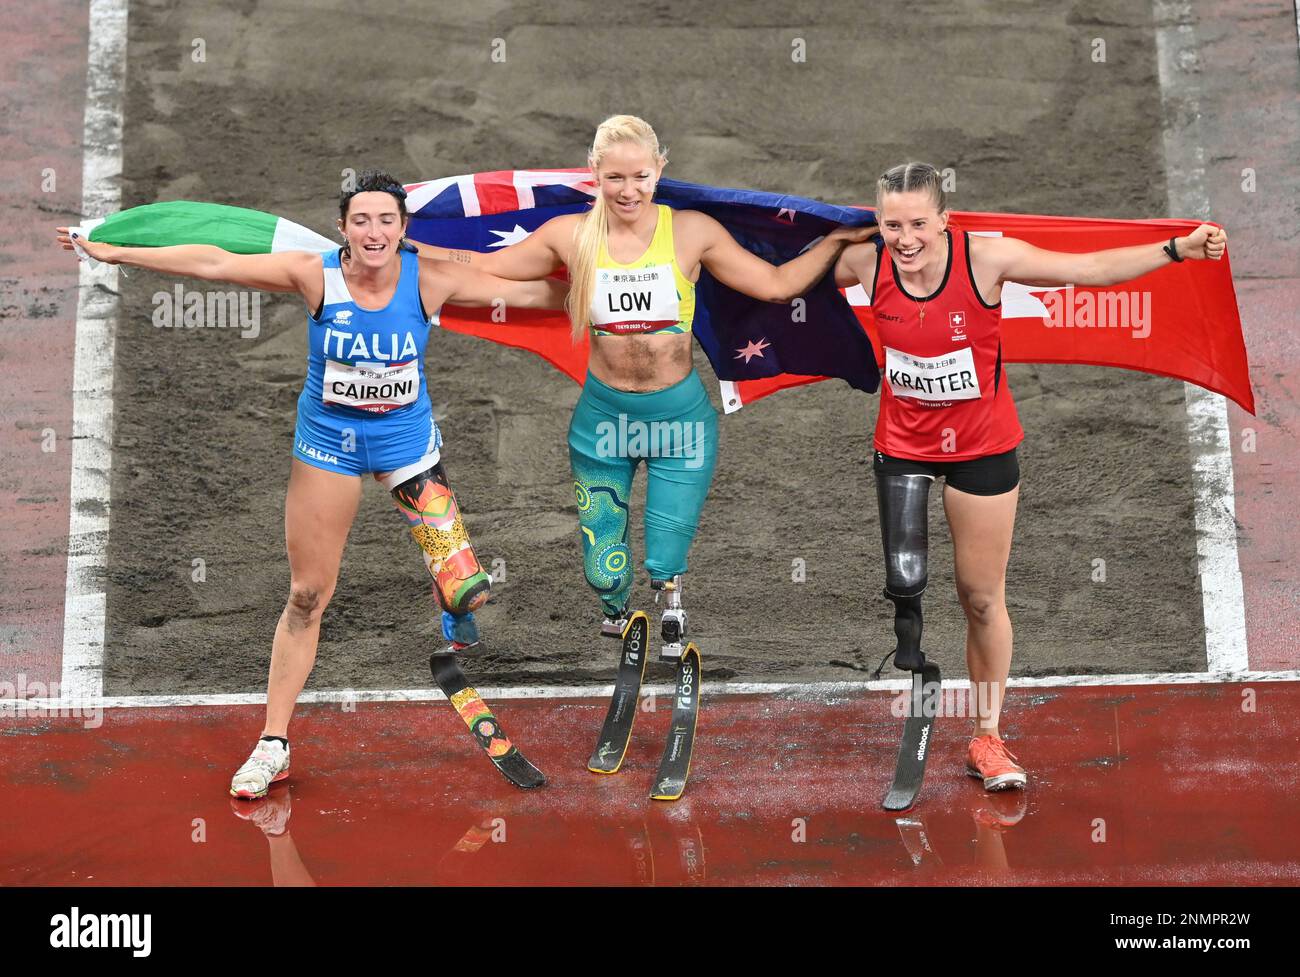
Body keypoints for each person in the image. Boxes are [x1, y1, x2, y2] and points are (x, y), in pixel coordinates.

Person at [58, 170, 568, 798]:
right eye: (361, 221)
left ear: (404, 229)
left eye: (386, 220)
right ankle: (273, 742)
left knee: (468, 590)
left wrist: (629, 279)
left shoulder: (431, 277)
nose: (374, 232)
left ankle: (453, 608)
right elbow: (216, 262)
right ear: (343, 229)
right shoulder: (314, 275)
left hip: (406, 450)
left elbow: (538, 296)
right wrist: (116, 252)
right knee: (305, 595)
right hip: (328, 449)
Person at [415, 115, 873, 659]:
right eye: (615, 179)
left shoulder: (692, 231)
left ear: (660, 170)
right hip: (603, 423)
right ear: (595, 174)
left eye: (639, 177)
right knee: (601, 568)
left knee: (666, 550)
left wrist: (837, 238)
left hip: (679, 424)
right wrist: (406, 249)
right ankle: (615, 609)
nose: (628, 190)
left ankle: (671, 598)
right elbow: (489, 265)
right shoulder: (571, 236)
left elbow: (777, 286)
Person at [833, 161, 1227, 791]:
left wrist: (1176, 249)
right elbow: (776, 283)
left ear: (944, 220)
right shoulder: (864, 262)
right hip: (902, 447)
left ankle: (986, 735)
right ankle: (913, 660)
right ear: (877, 222)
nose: (905, 238)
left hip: (982, 448)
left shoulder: (987, 260)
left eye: (917, 224)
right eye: (891, 224)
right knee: (903, 584)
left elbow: (1089, 271)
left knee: (981, 596)